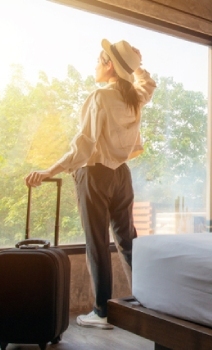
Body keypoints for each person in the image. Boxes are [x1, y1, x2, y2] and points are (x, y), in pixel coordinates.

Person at [25, 38, 156, 329]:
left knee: (97, 243)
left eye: (99, 61)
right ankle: (149, 303)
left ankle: (102, 312)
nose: (95, 66)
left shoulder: (100, 98)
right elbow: (148, 84)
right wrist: (137, 65)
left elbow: (83, 146)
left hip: (95, 175)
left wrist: (49, 170)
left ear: (109, 66)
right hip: (122, 176)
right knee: (127, 242)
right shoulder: (134, 97)